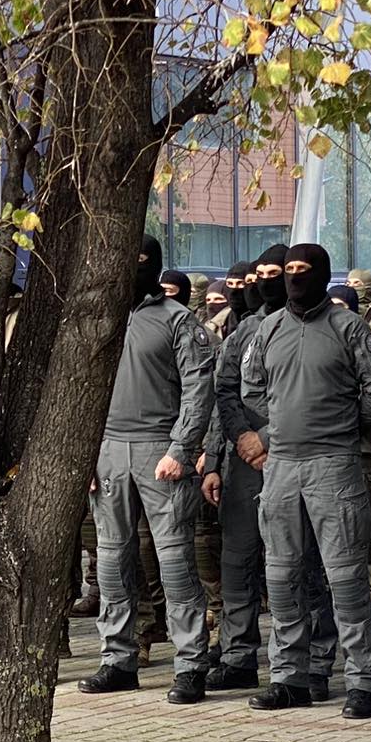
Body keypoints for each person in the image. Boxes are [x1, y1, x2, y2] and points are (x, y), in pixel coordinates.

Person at [239, 242, 371, 719]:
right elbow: (252, 389)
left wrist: (342, 422)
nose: (295, 277)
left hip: (334, 465)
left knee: (345, 580)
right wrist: (283, 423)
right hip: (282, 466)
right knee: (282, 579)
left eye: (305, 270)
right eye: (289, 270)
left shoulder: (349, 328)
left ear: (323, 274)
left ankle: (361, 681)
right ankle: (290, 678)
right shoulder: (269, 328)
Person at [79, 236, 215, 702]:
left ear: (155, 267)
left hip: (162, 452)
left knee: (175, 562)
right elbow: (78, 391)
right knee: (112, 562)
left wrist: (181, 449)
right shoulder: (100, 318)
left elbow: (200, 391)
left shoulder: (179, 320)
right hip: (108, 451)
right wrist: (85, 456)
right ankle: (117, 658)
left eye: (140, 262)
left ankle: (191, 663)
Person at [207, 244, 286, 691]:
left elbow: (314, 398)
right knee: (237, 561)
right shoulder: (244, 333)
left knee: (294, 565)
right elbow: (225, 393)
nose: (264, 282)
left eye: (277, 272)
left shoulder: (321, 328)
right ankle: (238, 656)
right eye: (264, 274)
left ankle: (306, 661)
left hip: (293, 456)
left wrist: (269, 440)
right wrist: (235, 447)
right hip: (243, 461)